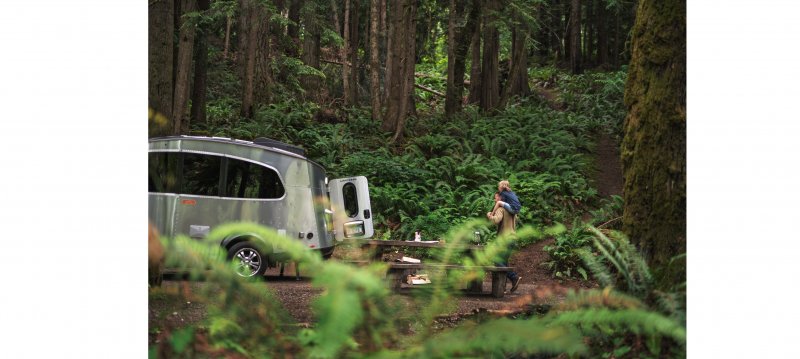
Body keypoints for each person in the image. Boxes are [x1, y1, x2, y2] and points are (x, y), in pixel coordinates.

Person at [486, 192, 522, 293]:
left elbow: (496, 220)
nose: (495, 200)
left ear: (501, 199)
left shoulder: (500, 209)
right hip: (512, 239)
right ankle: (503, 287)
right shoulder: (512, 211)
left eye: (496, 198)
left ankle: (514, 277)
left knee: (497, 261)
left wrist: (489, 216)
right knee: (504, 262)